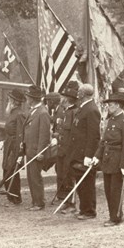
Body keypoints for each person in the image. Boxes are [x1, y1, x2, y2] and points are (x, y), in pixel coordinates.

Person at [95, 88, 124, 226]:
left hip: (118, 161)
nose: (108, 107)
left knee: (115, 191)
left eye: (110, 105)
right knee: (108, 190)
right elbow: (104, 140)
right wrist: (97, 156)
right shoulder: (111, 120)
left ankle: (115, 217)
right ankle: (117, 214)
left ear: (118, 105)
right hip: (107, 159)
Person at [68, 83, 102, 219]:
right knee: (81, 183)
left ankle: (89, 211)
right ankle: (83, 208)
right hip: (78, 152)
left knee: (87, 183)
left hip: (84, 154)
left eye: (79, 92)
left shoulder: (92, 109)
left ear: (83, 94)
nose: (77, 94)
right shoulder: (84, 108)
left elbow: (94, 135)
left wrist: (89, 155)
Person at [22, 86, 54, 210]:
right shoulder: (33, 110)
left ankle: (39, 202)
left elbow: (44, 135)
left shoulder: (42, 113)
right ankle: (35, 200)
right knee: (31, 176)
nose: (27, 99)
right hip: (30, 149)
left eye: (28, 97)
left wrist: (41, 151)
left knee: (35, 178)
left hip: (36, 151)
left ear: (33, 98)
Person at [52, 81, 79, 209]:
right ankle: (65, 199)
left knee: (69, 176)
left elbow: (74, 133)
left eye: (63, 97)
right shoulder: (65, 112)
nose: (61, 99)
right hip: (62, 148)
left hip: (69, 150)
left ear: (68, 99)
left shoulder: (74, 112)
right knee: (62, 174)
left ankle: (71, 203)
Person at [0, 89, 27, 205]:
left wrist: (19, 152)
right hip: (9, 144)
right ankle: (10, 194)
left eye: (10, 99)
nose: (8, 101)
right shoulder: (13, 112)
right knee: (6, 168)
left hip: (14, 146)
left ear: (14, 101)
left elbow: (20, 134)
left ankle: (15, 196)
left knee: (12, 170)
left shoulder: (19, 114)